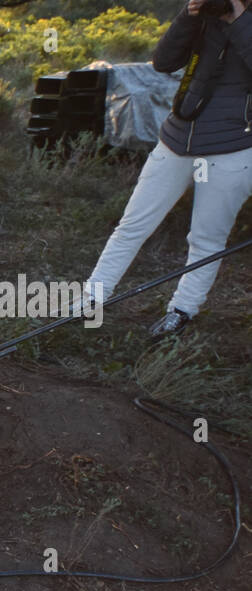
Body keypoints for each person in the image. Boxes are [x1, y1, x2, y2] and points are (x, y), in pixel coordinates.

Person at [85, 0, 252, 338]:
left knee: (206, 239)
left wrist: (239, 20)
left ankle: (181, 311)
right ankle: (91, 297)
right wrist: (188, 15)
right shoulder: (203, 17)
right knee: (132, 224)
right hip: (177, 139)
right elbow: (163, 62)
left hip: (232, 148)